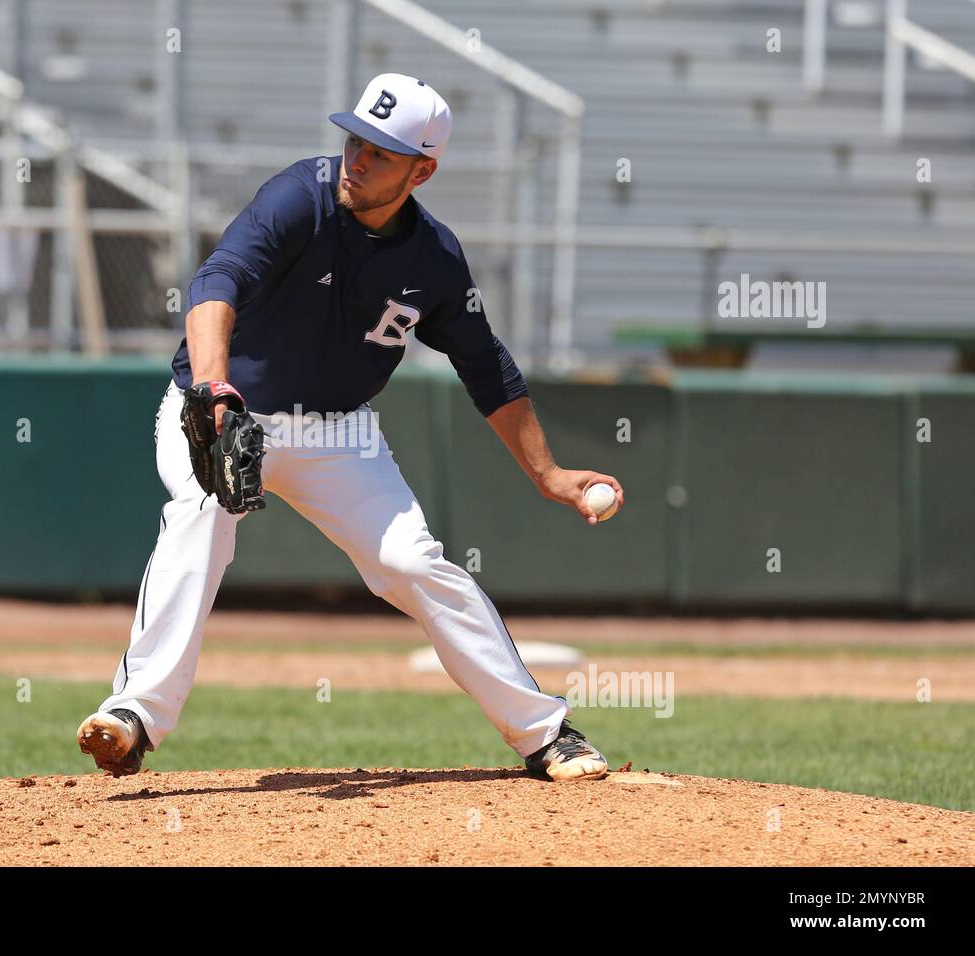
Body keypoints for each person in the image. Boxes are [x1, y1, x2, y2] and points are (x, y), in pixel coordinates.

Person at [78, 73, 624, 782]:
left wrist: (549, 474)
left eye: (382, 152)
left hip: (337, 435)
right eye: (355, 139)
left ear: (421, 170)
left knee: (413, 563)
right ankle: (134, 715)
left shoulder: (432, 257)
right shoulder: (297, 197)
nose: (358, 158)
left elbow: (486, 367)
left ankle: (545, 733)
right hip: (221, 412)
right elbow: (216, 283)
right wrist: (215, 391)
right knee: (200, 517)